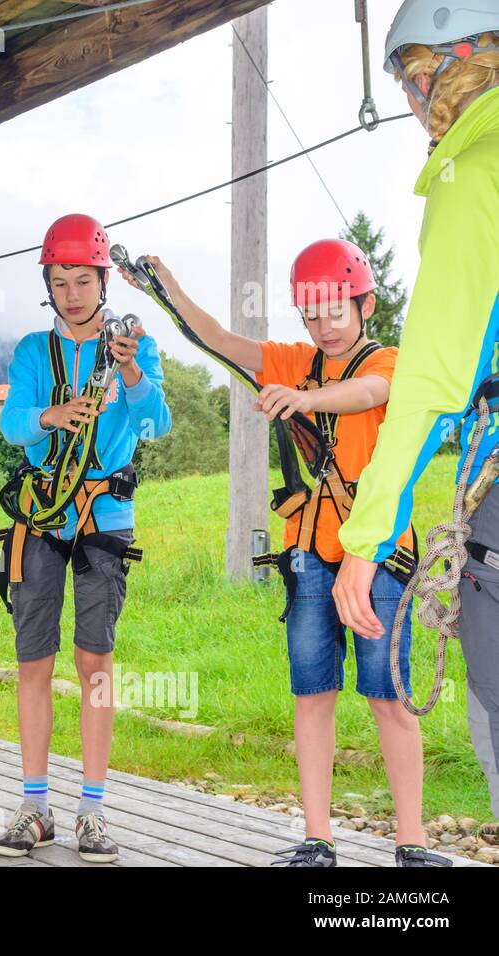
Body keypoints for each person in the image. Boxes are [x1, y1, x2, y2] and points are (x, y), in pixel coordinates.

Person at [123, 241, 446, 867]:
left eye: (334, 311)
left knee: (390, 698)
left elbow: (370, 392)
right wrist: (165, 289)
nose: (322, 326)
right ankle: (317, 837)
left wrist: (305, 399)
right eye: (310, 315)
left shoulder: (391, 361)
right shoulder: (293, 360)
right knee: (312, 693)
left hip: (379, 558)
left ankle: (413, 843)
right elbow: (216, 338)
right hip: (308, 557)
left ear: (365, 304)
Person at [334, 0, 499, 829]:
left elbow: (433, 379)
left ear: (448, 66)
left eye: (407, 78)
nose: (408, 103)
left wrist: (363, 542)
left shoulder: (476, 167)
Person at [0, 214, 171, 861]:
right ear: (49, 285)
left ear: (104, 281)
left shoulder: (133, 347)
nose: (72, 293)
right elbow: (13, 423)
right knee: (32, 660)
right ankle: (35, 806)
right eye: (60, 281)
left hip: (103, 518)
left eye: (83, 280)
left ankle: (91, 811)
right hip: (42, 514)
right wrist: (51, 414)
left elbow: (155, 421)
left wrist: (128, 373)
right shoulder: (32, 353)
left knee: (94, 662)